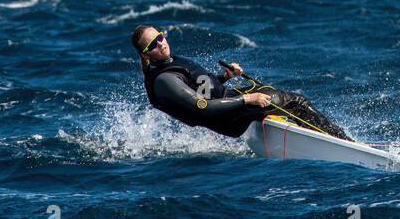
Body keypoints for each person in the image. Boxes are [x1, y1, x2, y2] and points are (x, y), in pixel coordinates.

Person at [132, 25, 351, 141]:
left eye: (160, 37)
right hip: (225, 118)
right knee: (297, 102)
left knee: (270, 92)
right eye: (153, 44)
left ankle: (312, 135)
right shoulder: (164, 79)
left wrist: (226, 77)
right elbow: (202, 107)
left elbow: (202, 87)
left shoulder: (169, 61)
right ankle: (345, 144)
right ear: (146, 54)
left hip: (229, 103)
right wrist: (248, 99)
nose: (161, 44)